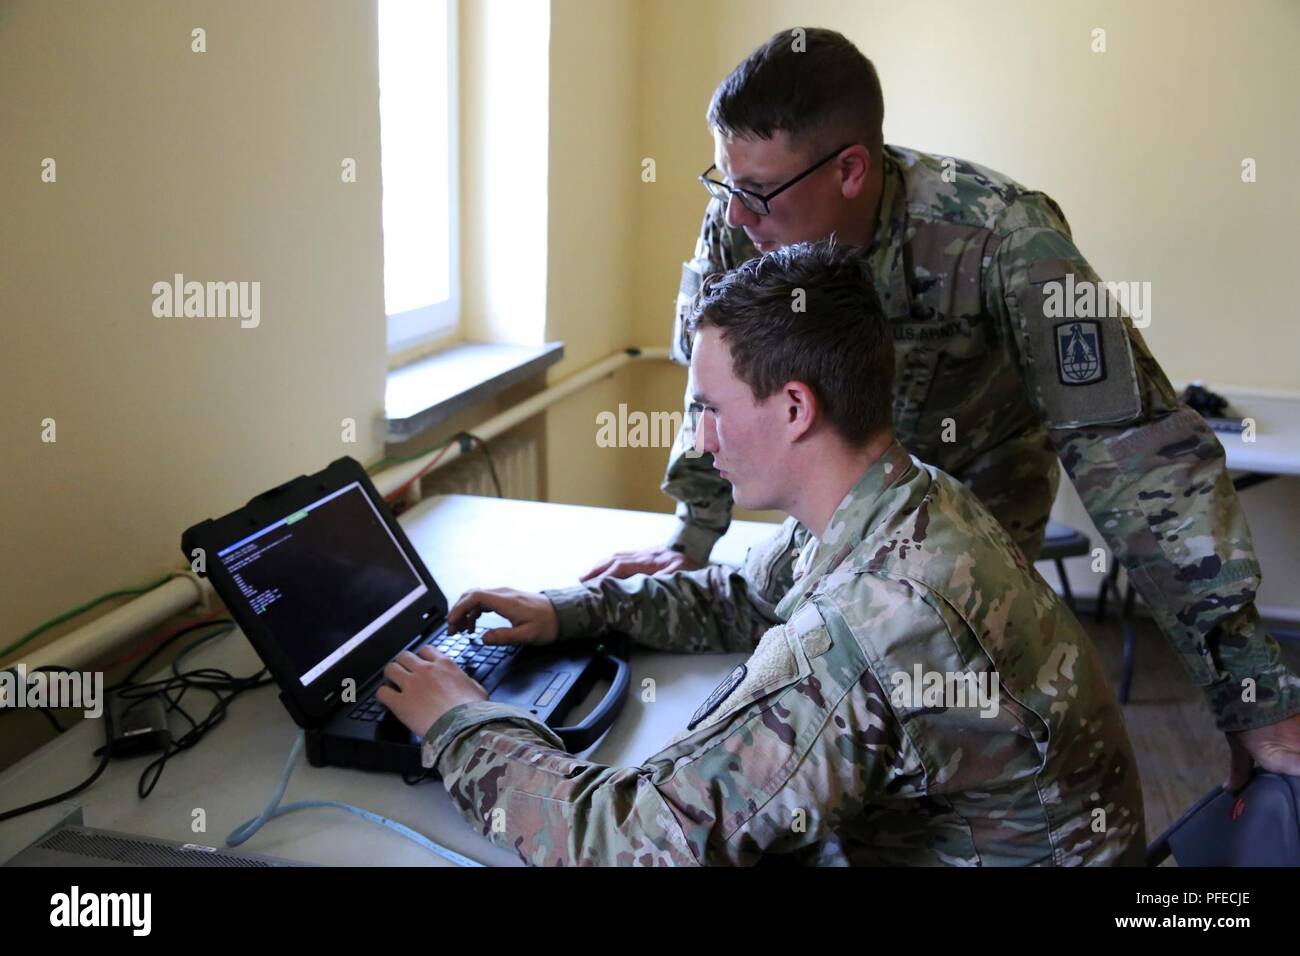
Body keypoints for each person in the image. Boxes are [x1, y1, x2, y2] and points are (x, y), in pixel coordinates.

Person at [582, 28, 1300, 789]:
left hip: (978, 519)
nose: (733, 218)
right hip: (844, 511)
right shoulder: (747, 224)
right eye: (723, 184)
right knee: (832, 712)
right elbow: (713, 382)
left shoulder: (1001, 237)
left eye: (756, 191)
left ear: (851, 169)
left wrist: (1247, 690)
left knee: (956, 733)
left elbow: (1134, 449)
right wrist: (694, 534)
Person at [377, 240, 1145, 866]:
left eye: (710, 409)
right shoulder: (905, 496)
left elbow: (636, 841)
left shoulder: (875, 620)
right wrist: (570, 612)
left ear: (794, 408)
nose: (702, 439)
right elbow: (743, 595)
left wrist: (459, 722)